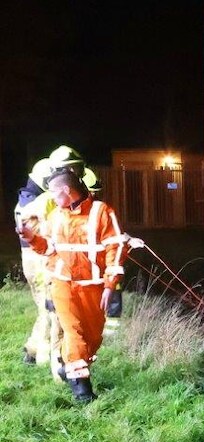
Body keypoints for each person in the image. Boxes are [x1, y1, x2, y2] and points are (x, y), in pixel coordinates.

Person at [19, 168, 126, 403]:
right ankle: (83, 393)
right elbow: (48, 248)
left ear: (66, 191)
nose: (51, 199)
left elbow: (115, 249)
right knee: (73, 334)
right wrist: (30, 238)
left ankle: (70, 369)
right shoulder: (56, 216)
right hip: (63, 284)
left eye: (54, 193)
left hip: (94, 286)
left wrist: (110, 285)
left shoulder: (102, 213)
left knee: (92, 338)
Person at [12, 157, 55, 365]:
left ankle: (33, 350)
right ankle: (37, 355)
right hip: (39, 261)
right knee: (48, 308)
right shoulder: (38, 204)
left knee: (44, 307)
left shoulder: (25, 200)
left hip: (30, 259)